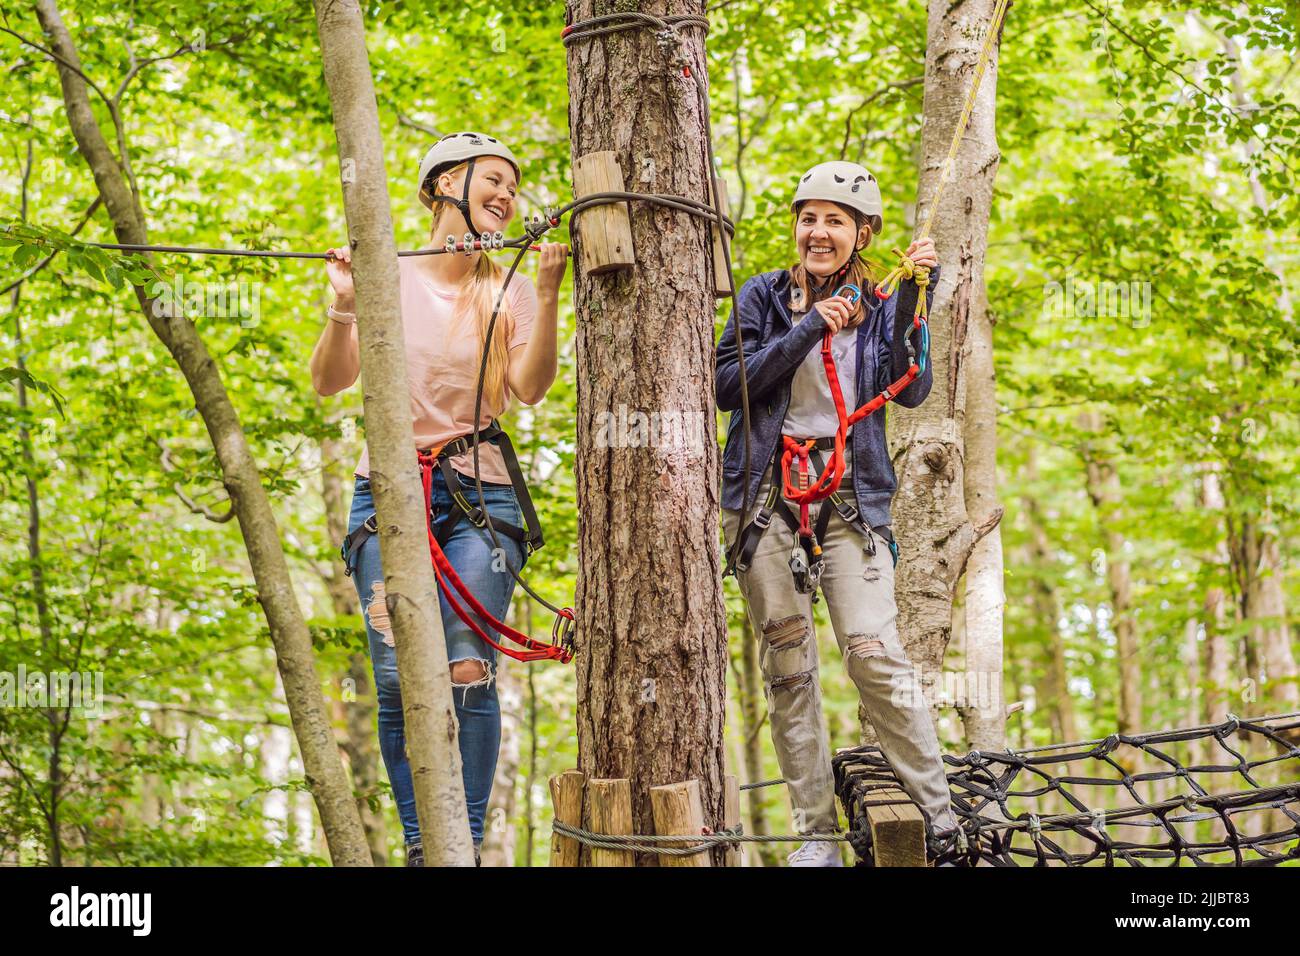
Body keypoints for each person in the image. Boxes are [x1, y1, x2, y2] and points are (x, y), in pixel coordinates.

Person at [310, 131, 568, 866]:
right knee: (394, 678)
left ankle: (469, 846)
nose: (507, 197)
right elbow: (329, 382)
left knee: (465, 664)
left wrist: (547, 294)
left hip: (481, 494)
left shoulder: (510, 284)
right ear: (444, 184)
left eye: (513, 188)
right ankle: (428, 849)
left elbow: (529, 387)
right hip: (385, 492)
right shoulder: (383, 273)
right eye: (494, 180)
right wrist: (345, 307)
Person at [715, 160, 958, 866]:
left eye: (835, 221)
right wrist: (807, 330)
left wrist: (918, 298)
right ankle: (816, 834)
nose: (818, 232)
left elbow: (910, 392)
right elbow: (729, 384)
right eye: (809, 218)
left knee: (872, 653)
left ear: (862, 234)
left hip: (850, 499)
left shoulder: (884, 302)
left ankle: (938, 816)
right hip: (768, 501)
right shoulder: (763, 296)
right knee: (788, 664)